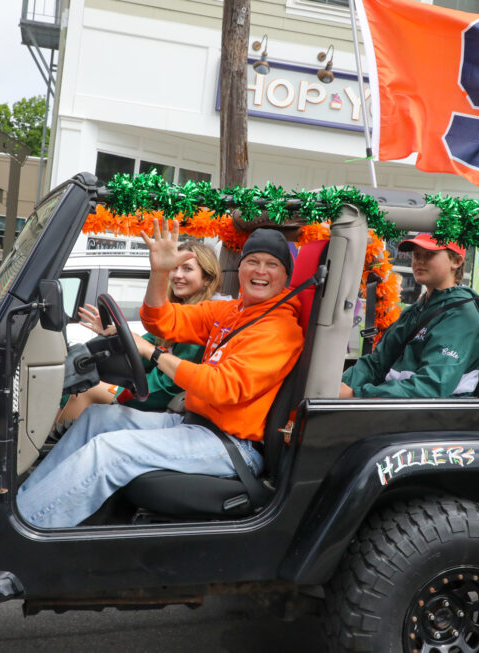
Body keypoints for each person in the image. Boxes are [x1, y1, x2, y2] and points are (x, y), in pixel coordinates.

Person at [17, 223, 304, 528]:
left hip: (230, 445)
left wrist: (153, 354)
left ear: (286, 277)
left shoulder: (278, 329)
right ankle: (21, 507)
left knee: (109, 450)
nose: (261, 270)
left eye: (272, 264)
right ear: (241, 268)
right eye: (253, 261)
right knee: (96, 418)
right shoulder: (231, 313)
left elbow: (222, 388)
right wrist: (160, 273)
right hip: (194, 424)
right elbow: (160, 320)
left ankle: (25, 530)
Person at [55, 240, 220, 425]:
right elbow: (142, 347)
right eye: (174, 268)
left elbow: (170, 384)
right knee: (80, 378)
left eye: (187, 269)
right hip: (155, 392)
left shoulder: (202, 319)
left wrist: (121, 391)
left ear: (207, 278)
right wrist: (113, 334)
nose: (177, 275)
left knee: (85, 390)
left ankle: (55, 446)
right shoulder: (175, 313)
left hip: (168, 402)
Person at [340, 233, 479, 399]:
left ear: (457, 261)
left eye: (430, 254)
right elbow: (377, 363)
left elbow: (431, 386)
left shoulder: (460, 316)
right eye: (416, 255)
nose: (419, 261)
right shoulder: (419, 308)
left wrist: (356, 394)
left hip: (432, 415)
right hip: (399, 406)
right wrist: (336, 386)